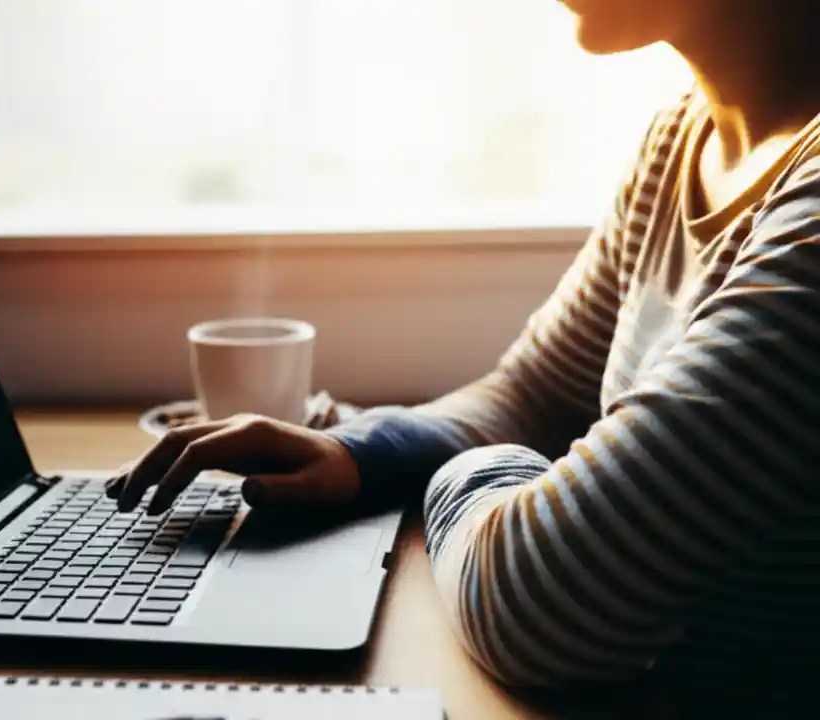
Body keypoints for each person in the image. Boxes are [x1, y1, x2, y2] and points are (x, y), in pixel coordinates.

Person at [106, 0, 820, 698]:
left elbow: (546, 604)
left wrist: (477, 470)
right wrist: (364, 453)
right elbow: (534, 393)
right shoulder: (683, 135)